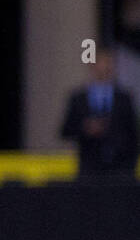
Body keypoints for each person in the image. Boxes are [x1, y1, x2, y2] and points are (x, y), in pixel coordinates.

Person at [60, 47, 139, 178]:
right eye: (99, 63)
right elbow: (66, 130)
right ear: (92, 66)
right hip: (89, 168)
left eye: (107, 63)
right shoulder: (78, 98)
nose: (103, 67)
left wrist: (131, 166)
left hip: (121, 169)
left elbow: (133, 134)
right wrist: (85, 128)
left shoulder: (124, 98)